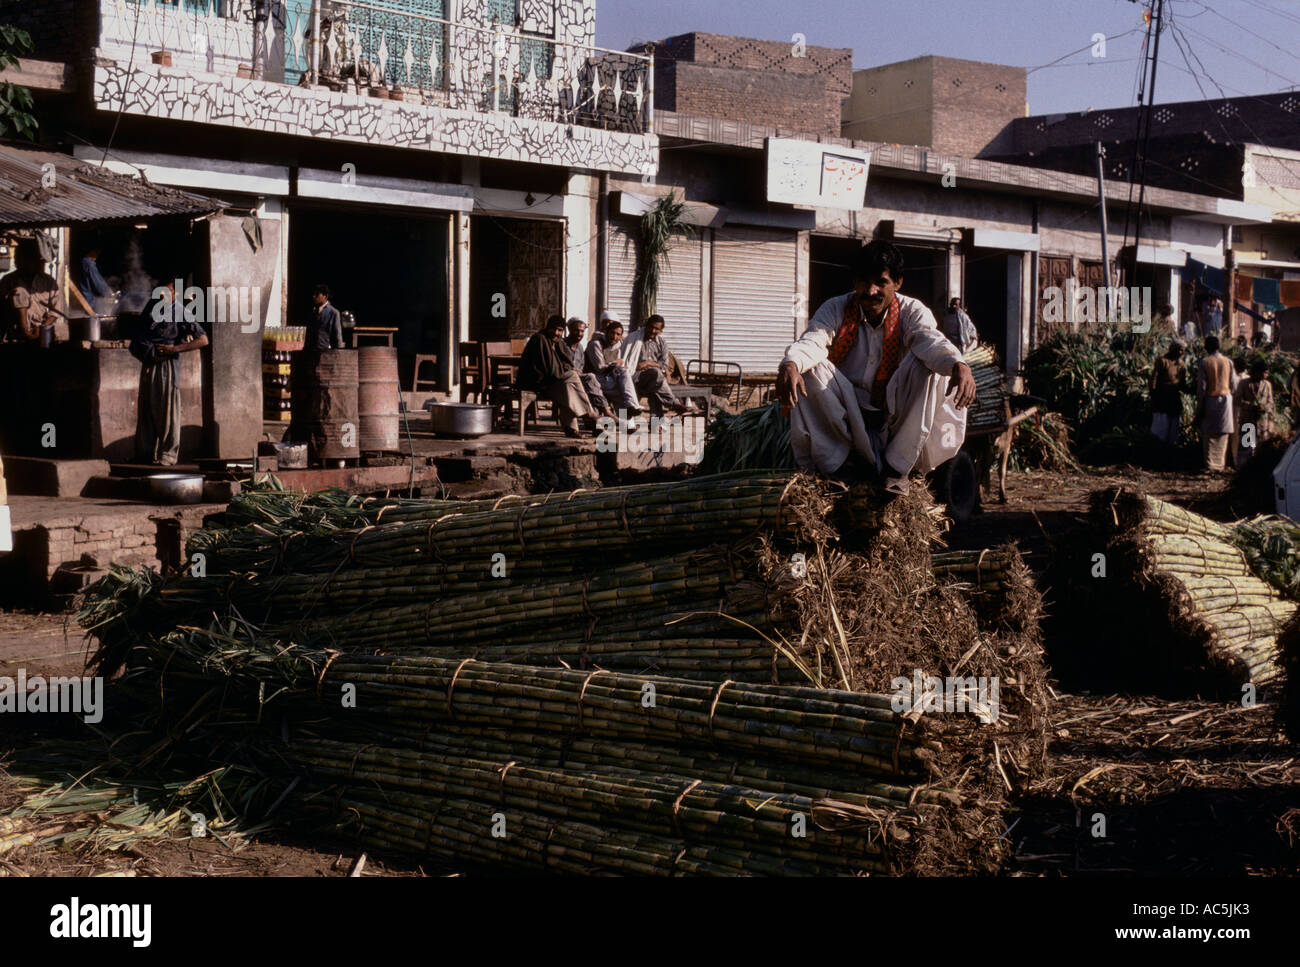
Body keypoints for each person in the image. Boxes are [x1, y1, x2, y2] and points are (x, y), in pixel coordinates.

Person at [777, 240, 977, 494]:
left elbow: (930, 340)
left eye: (880, 282)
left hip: (892, 412)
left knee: (928, 366)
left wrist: (958, 364)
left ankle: (896, 469)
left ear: (898, 283)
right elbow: (813, 340)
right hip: (846, 411)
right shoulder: (836, 308)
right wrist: (791, 364)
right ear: (854, 282)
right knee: (808, 366)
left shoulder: (911, 311)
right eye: (863, 281)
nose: (870, 291)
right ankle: (839, 467)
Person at [133, 278, 209, 466]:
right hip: (149, 363)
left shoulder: (180, 311)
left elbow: (203, 340)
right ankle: (144, 454)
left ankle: (168, 454)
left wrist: (174, 349)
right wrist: (146, 351)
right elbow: (139, 332)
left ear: (174, 294)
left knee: (167, 410)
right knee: (146, 410)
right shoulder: (151, 307)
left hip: (167, 366)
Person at [516, 314, 597, 438]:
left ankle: (572, 428)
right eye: (554, 329)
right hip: (535, 383)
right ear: (548, 327)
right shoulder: (540, 339)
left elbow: (567, 363)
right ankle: (588, 414)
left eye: (559, 330)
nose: (556, 332)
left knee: (568, 386)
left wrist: (563, 368)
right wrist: (564, 369)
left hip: (549, 382)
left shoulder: (558, 343)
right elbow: (549, 369)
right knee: (571, 377)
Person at [620, 314, 685, 415]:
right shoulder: (634, 338)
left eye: (656, 329)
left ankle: (655, 425)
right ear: (646, 325)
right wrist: (637, 366)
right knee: (657, 378)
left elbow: (664, 364)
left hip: (653, 380)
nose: (653, 331)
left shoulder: (662, 343)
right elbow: (626, 361)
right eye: (651, 327)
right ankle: (672, 402)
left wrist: (648, 363)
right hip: (635, 376)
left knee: (655, 387)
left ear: (661, 331)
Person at [0, 239, 62, 343]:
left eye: (22, 259)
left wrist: (42, 328)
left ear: (35, 260)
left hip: (39, 334)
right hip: (14, 335)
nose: (16, 262)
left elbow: (55, 311)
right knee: (19, 291)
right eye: (16, 258)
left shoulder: (48, 282)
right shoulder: (8, 280)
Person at [1195, 335, 1238, 473]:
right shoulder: (1228, 361)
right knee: (1223, 432)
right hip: (1226, 398)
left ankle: (1210, 465)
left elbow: (1201, 387)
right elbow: (1234, 384)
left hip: (1210, 399)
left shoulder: (1205, 362)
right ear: (1219, 347)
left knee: (1209, 432)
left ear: (1206, 348)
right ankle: (1220, 464)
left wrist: (1199, 406)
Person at [584, 318, 641, 417]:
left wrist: (619, 365)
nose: (614, 337)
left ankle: (631, 407)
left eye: (618, 334)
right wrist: (616, 363)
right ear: (606, 332)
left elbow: (620, 364)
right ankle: (628, 418)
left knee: (624, 373)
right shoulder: (596, 344)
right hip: (595, 378)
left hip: (609, 378)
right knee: (619, 390)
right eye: (612, 333)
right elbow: (600, 368)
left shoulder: (619, 344)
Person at [564, 317, 614, 420]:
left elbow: (581, 366)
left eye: (582, 331)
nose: (579, 333)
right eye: (576, 330)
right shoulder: (563, 345)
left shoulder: (580, 348)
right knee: (591, 379)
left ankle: (595, 423)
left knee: (591, 390)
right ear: (569, 330)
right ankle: (605, 410)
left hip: (585, 380)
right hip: (568, 379)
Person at [1234, 358, 1274, 468]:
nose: (1267, 374)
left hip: (1262, 422)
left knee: (1260, 448)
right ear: (1257, 372)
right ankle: (1242, 469)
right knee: (1246, 448)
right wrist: (1250, 405)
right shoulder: (1244, 383)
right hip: (1248, 420)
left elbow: (1271, 402)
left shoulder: (1267, 385)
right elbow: (1236, 400)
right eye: (1265, 372)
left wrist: (1265, 407)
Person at [1149, 339, 1188, 446]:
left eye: (1183, 350)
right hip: (1162, 399)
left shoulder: (1181, 365)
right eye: (1179, 350)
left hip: (1174, 400)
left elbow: (1182, 385)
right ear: (1173, 349)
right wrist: (1153, 397)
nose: (1181, 352)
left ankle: (1170, 454)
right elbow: (1154, 380)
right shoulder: (1163, 361)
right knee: (1160, 429)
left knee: (1173, 430)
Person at [307, 284, 344, 349]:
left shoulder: (333, 312)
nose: (314, 296)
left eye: (317, 294)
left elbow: (338, 336)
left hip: (326, 351)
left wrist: (339, 353)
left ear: (325, 296)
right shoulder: (313, 312)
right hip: (312, 351)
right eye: (314, 294)